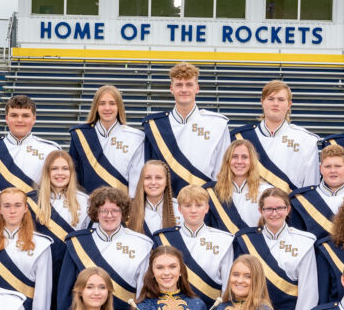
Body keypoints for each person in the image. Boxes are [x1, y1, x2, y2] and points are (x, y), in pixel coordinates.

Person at [54, 187, 153, 310]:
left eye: (115, 210)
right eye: (103, 211)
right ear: (96, 213)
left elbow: (143, 292)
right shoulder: (78, 242)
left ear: (124, 213)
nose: (109, 215)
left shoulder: (142, 244)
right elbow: (67, 289)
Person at [28, 150, 91, 310]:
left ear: (71, 172)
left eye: (65, 168)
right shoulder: (32, 201)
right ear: (47, 172)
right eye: (55, 169)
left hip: (75, 276)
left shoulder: (85, 201)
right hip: (43, 274)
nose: (60, 173)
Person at [143, 62, 229, 191]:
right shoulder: (155, 125)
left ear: (197, 88)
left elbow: (221, 172)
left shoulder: (217, 124)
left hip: (203, 201)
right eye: (179, 85)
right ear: (171, 89)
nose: (184, 89)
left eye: (189, 84)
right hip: (167, 203)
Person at [228, 80, 320, 193]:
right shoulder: (240, 137)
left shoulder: (306, 140)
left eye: (281, 100)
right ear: (262, 102)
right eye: (270, 99)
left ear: (289, 105)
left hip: (289, 207)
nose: (275, 103)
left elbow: (310, 187)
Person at [153, 185, 234, 299]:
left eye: (199, 205)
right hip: (172, 307)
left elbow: (227, 284)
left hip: (211, 308)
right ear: (180, 209)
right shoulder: (164, 238)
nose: (193, 210)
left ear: (206, 208)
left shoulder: (223, 240)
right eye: (188, 205)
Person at [68, 85, 145, 194]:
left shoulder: (135, 137)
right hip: (87, 204)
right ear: (96, 107)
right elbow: (74, 178)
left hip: (121, 206)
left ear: (119, 107)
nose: (107, 108)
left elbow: (136, 181)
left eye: (112, 103)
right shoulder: (80, 135)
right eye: (102, 103)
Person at [0, 93, 60, 192]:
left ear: (34, 119)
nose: (20, 120)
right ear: (7, 119)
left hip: (38, 207)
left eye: (25, 116)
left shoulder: (51, 149)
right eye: (14, 115)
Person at [207, 139, 272, 235]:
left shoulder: (267, 191)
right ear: (227, 160)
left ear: (252, 161)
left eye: (245, 157)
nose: (239, 161)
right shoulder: (213, 192)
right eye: (234, 157)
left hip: (254, 248)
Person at [128, 159, 178, 235]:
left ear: (166, 182)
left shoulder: (180, 209)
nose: (153, 182)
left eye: (158, 178)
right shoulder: (129, 210)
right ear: (142, 181)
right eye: (148, 178)